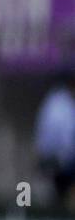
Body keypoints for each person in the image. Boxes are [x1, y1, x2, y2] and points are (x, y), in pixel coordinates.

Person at [36, 70, 75, 211]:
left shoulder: (50, 101)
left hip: (48, 159)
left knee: (57, 197)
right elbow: (68, 140)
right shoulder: (64, 104)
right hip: (61, 161)